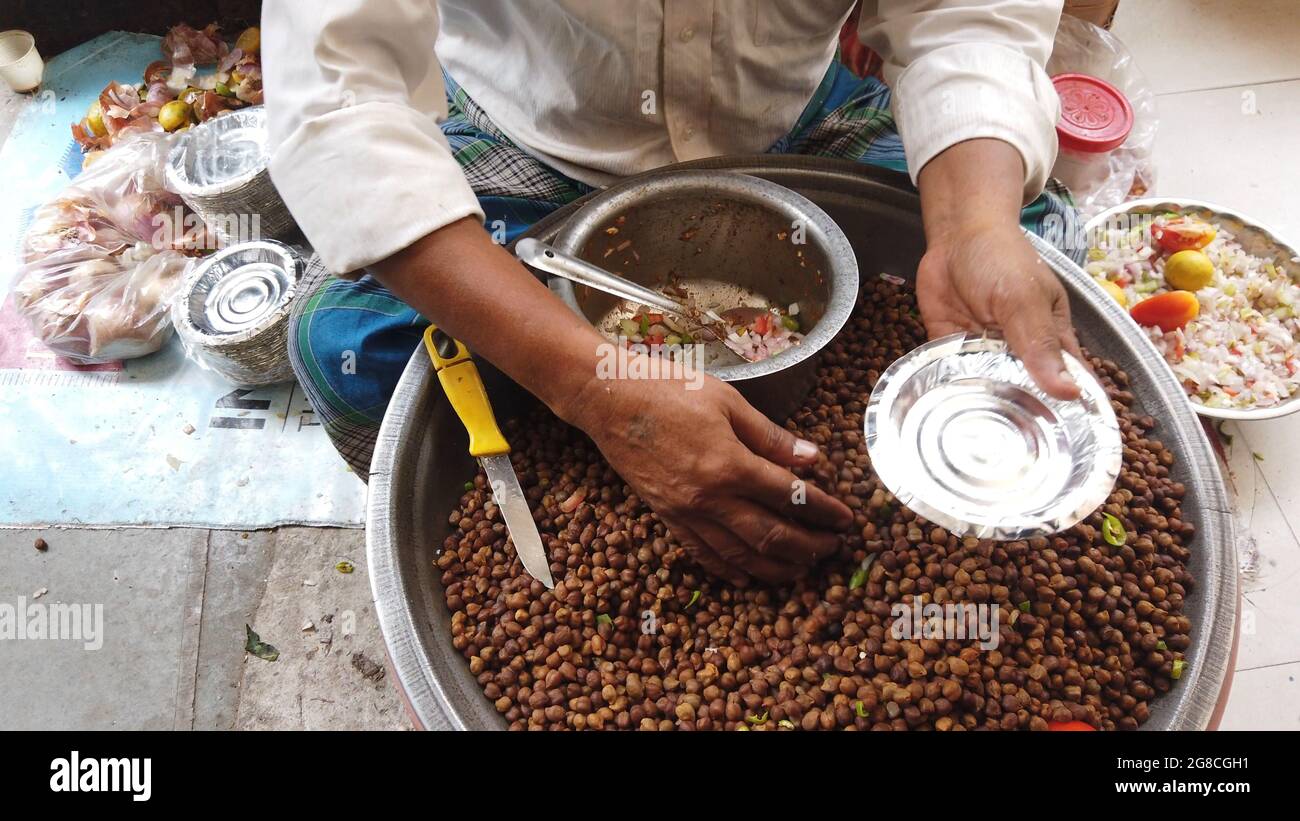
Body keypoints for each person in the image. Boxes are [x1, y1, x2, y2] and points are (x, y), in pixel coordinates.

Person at [262, 0, 1082, 586]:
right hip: (532, 134)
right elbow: (337, 94)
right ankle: (509, 488)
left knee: (1036, 233)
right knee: (343, 345)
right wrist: (591, 389)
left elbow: (963, 13)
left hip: (790, 111)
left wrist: (974, 224)